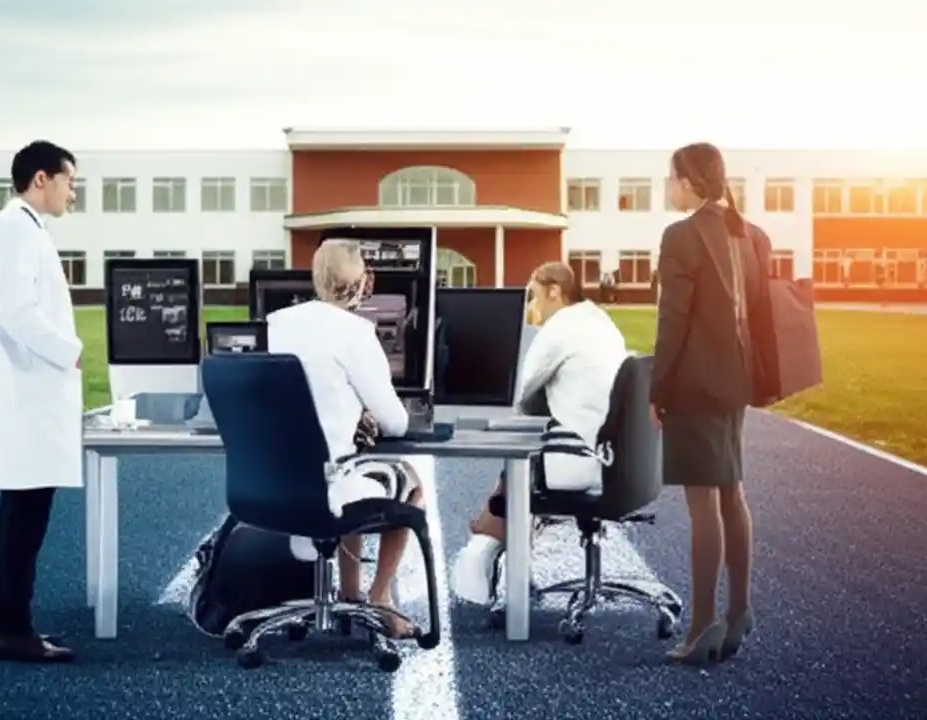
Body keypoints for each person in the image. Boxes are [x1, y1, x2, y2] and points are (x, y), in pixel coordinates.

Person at [266, 239, 423, 638]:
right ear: (361, 281)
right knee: (408, 483)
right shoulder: (356, 331)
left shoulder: (278, 323)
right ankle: (379, 598)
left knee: (356, 471)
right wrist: (368, 413)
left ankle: (350, 593)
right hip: (330, 480)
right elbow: (396, 423)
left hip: (275, 483)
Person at [652, 142, 770, 665]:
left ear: (689, 180)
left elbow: (673, 321)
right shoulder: (752, 234)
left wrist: (658, 389)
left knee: (704, 501)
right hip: (737, 382)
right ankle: (739, 610)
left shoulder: (681, 235)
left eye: (669, 177)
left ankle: (702, 626)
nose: (666, 186)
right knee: (730, 492)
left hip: (697, 384)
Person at [451, 261, 629, 604]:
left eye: (533, 296)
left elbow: (516, 393)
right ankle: (494, 538)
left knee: (519, 461)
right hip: (616, 459)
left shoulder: (559, 330)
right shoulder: (600, 321)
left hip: (579, 460)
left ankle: (486, 539)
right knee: (528, 455)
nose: (531, 307)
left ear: (554, 292)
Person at [0, 140, 81, 663]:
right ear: (42, 179)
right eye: (68, 181)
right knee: (23, 513)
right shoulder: (15, 228)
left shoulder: (24, 228)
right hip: (26, 389)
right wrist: (69, 352)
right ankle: (11, 629)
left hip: (27, 390)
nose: (71, 193)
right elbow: (17, 313)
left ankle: (10, 622)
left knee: (24, 512)